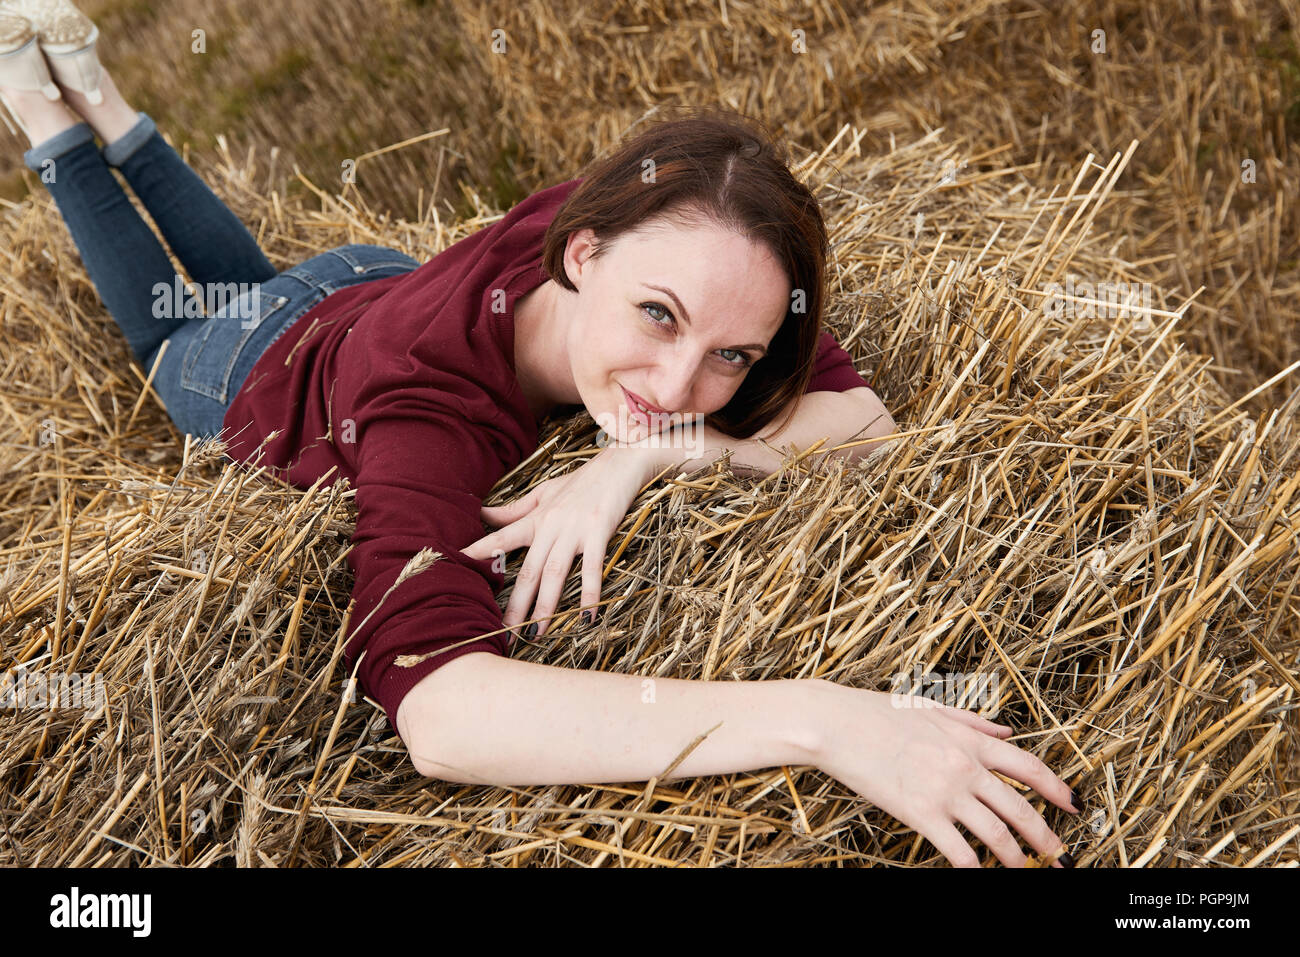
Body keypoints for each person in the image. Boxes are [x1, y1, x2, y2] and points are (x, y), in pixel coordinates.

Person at [1, 4, 1080, 868]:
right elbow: (443, 711)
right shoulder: (425, 403)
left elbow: (873, 431)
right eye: (657, 317)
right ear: (582, 256)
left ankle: (90, 89)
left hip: (363, 275)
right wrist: (821, 722)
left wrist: (652, 453)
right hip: (254, 367)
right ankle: (53, 113)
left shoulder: (650, 232)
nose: (678, 383)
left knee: (258, 281)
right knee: (181, 324)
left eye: (732, 358)